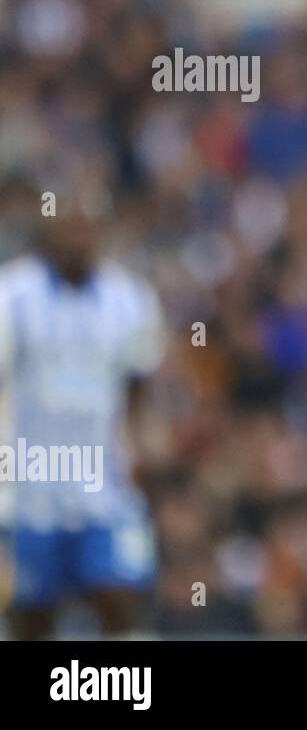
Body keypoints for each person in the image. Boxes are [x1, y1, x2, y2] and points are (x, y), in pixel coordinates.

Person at [0, 201, 164, 639]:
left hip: (103, 476)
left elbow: (139, 381)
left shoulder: (129, 298)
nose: (77, 239)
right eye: (67, 228)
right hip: (30, 477)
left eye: (85, 228)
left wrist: (141, 444)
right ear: (46, 231)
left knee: (120, 592)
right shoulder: (12, 295)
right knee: (31, 613)